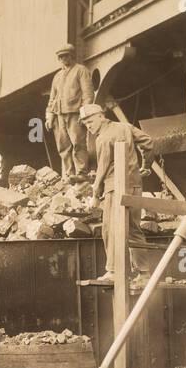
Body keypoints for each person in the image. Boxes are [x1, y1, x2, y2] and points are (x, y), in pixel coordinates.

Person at [82, 102, 155, 284]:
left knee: (110, 229)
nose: (88, 126)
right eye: (85, 124)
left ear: (101, 116)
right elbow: (148, 142)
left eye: (90, 121)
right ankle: (144, 273)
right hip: (135, 185)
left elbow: (103, 167)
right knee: (133, 229)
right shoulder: (125, 127)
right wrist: (146, 166)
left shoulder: (103, 137)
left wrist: (95, 195)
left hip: (115, 187)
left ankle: (114, 271)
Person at [45, 43, 95, 179]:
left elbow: (88, 94)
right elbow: (52, 98)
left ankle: (81, 173)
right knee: (63, 146)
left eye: (65, 56)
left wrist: (84, 113)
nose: (63, 59)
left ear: (71, 56)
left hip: (75, 114)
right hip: (59, 115)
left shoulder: (81, 70)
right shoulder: (57, 77)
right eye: (60, 57)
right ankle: (69, 173)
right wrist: (49, 116)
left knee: (78, 143)